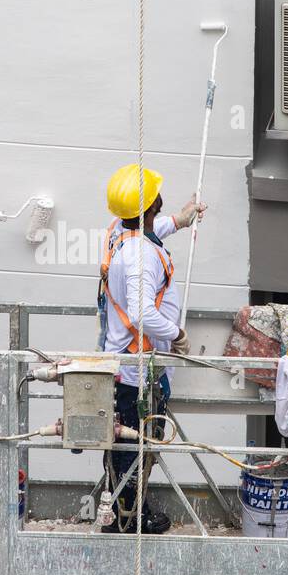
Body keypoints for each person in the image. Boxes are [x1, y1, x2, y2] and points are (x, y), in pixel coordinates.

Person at [97, 163, 205, 534]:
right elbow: (143, 313)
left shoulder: (119, 233)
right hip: (137, 369)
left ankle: (121, 507)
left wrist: (180, 220)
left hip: (123, 361)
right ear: (148, 206)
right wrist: (176, 334)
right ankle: (130, 518)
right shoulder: (141, 258)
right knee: (134, 442)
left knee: (124, 436)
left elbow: (149, 232)